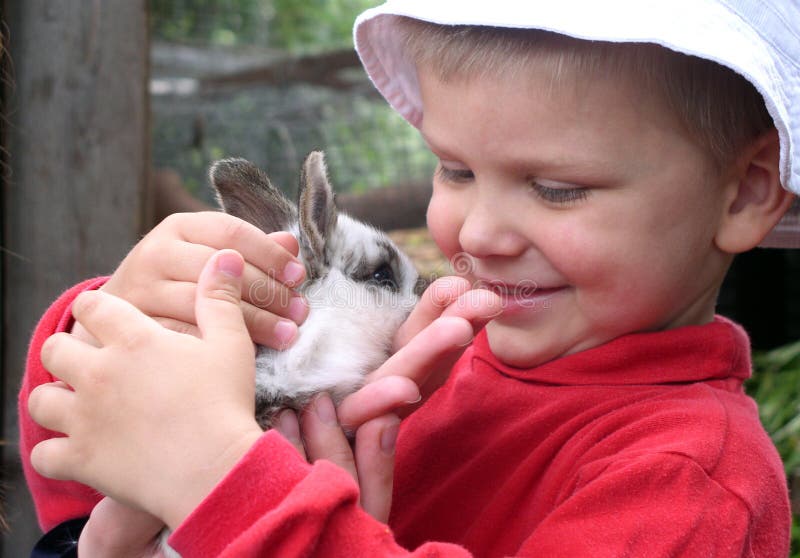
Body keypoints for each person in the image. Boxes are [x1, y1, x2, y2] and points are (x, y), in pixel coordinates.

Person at [20, 0, 800, 556]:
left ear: (744, 194)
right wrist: (113, 326)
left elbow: (224, 494)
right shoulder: (431, 355)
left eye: (558, 188)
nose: (479, 234)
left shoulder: (686, 481)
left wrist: (231, 491)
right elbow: (78, 492)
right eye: (455, 169)